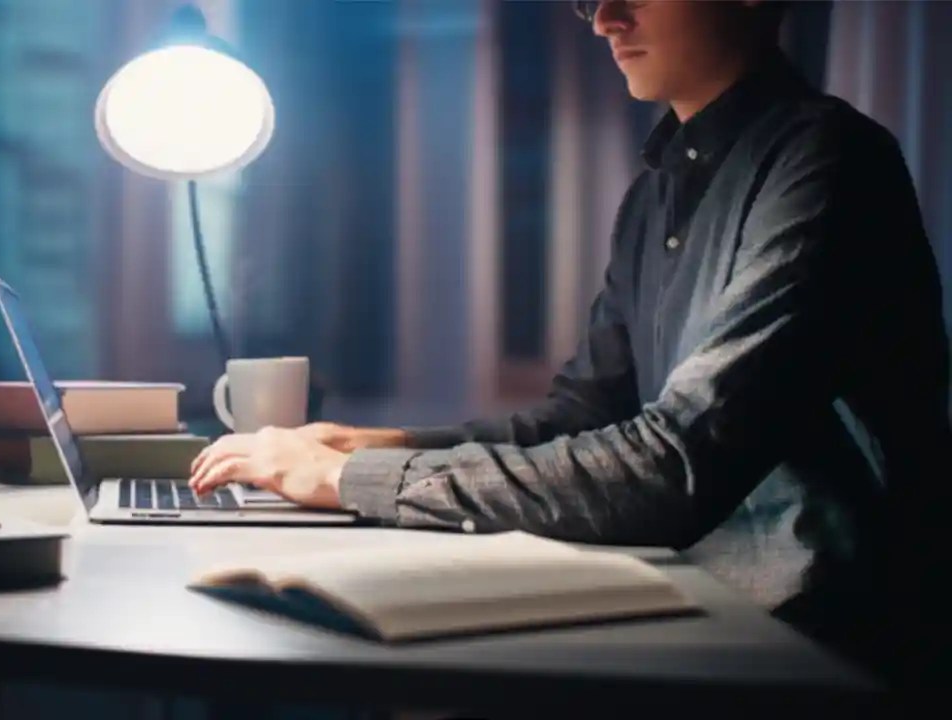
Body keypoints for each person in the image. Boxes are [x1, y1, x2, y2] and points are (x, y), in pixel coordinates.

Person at [189, 0, 948, 688]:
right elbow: (581, 415)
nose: (604, 19)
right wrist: (376, 444)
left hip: (815, 645)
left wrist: (351, 482)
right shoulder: (657, 190)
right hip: (690, 603)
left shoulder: (828, 159)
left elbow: (673, 466)